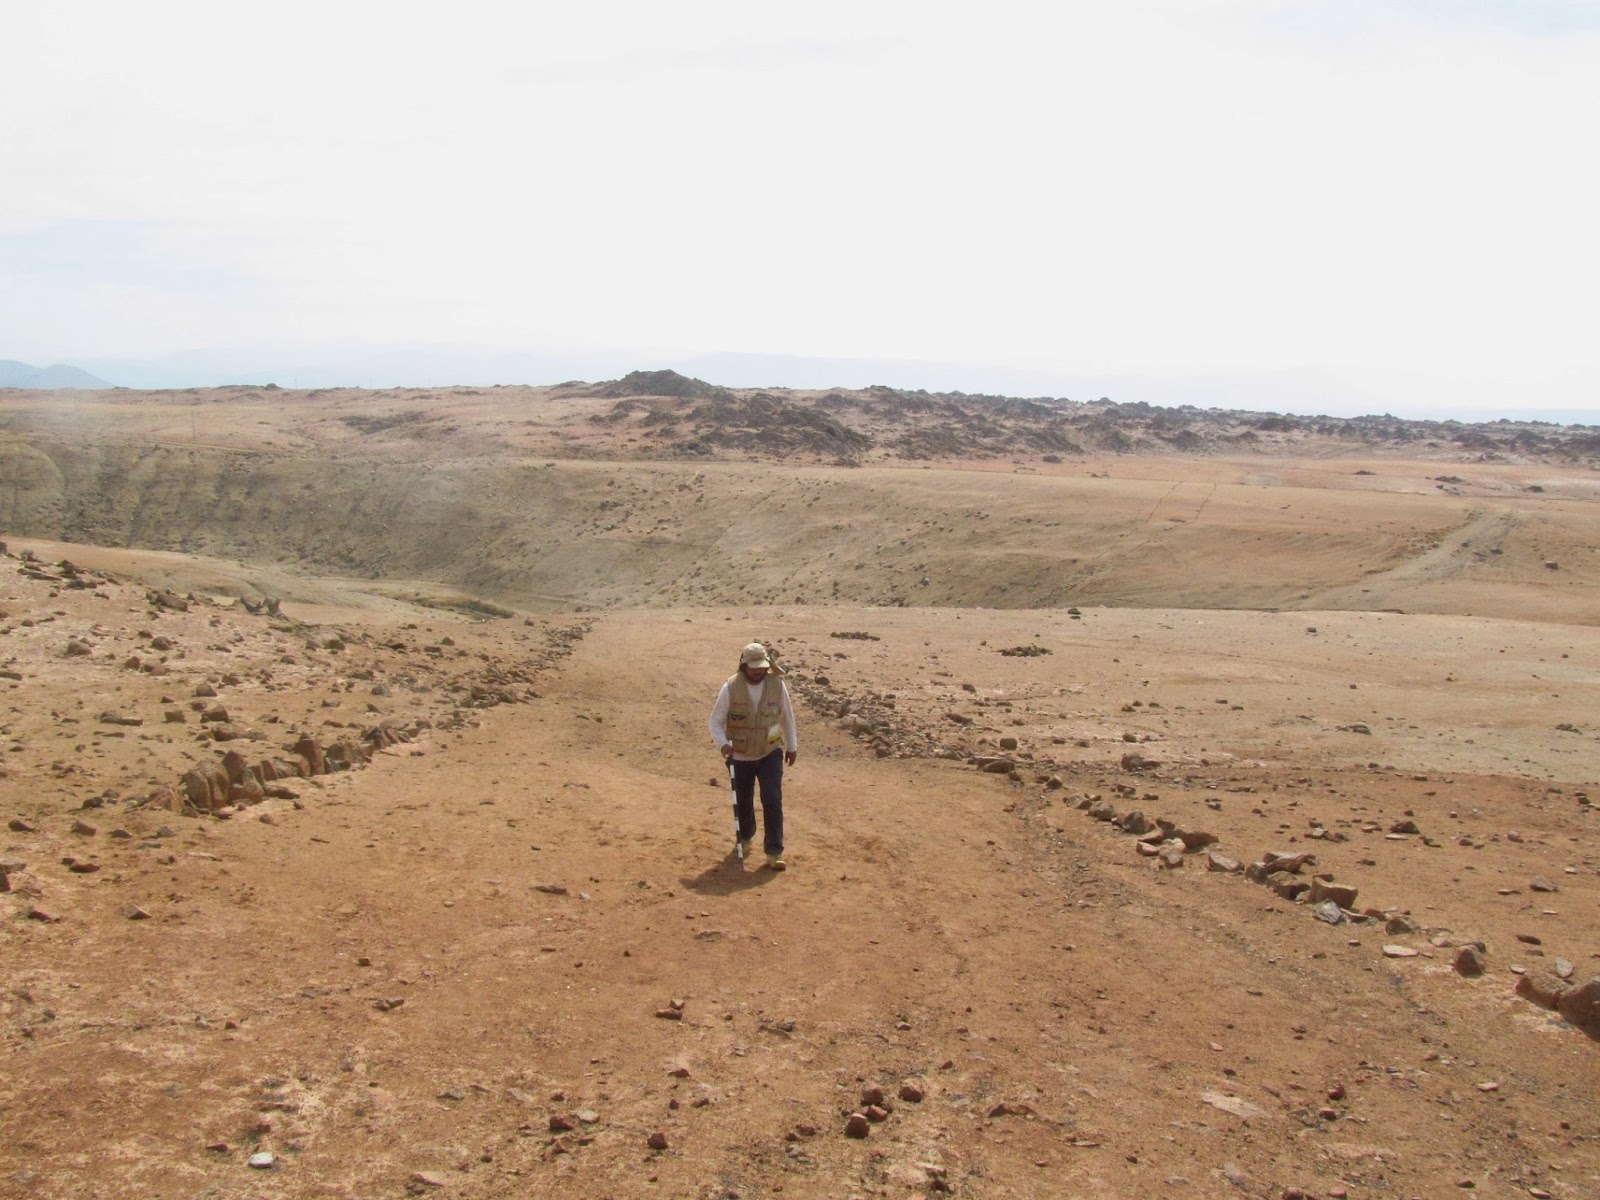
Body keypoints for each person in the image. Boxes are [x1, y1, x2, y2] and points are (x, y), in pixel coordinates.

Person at [709, 642, 798, 870]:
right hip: (740, 755)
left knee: (772, 799)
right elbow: (716, 721)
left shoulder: (777, 686)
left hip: (770, 752)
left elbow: (787, 717)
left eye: (762, 667)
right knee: (744, 800)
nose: (759, 671)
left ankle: (774, 851)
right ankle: (746, 836)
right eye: (754, 667)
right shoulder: (730, 688)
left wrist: (792, 746)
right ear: (744, 666)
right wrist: (722, 745)